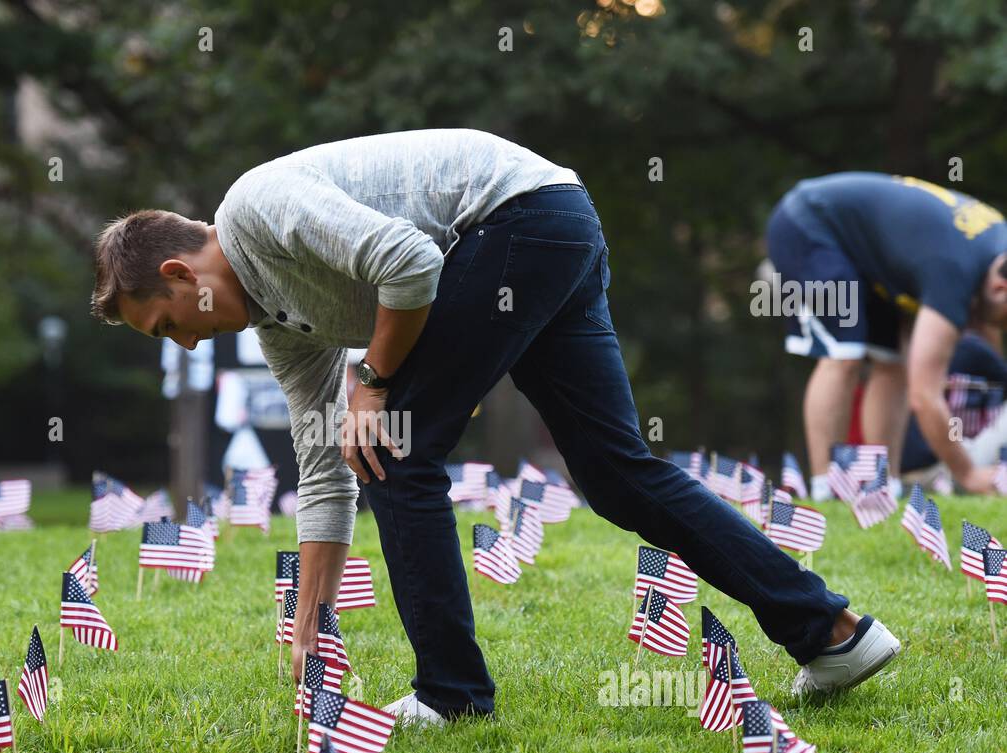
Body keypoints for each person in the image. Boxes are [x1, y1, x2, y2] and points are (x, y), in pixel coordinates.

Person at [90, 129, 898, 723]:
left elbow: (410, 263)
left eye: (167, 325)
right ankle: (831, 631)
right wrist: (309, 624)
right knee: (616, 472)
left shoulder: (260, 209)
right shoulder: (278, 322)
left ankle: (452, 694)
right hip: (552, 225)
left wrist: (370, 377)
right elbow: (323, 466)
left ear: (177, 273)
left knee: (396, 449)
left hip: (523, 218)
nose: (186, 343)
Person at [766, 173, 1007, 500]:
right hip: (810, 224)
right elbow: (925, 397)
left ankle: (884, 485)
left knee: (893, 361)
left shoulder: (994, 250)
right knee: (844, 354)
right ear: (999, 288)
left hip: (871, 256)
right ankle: (827, 489)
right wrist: (969, 474)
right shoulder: (955, 272)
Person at [900, 318, 1007, 481]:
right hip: (948, 459)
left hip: (904, 463)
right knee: (955, 417)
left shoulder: (909, 351)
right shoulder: (969, 346)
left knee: (954, 415)